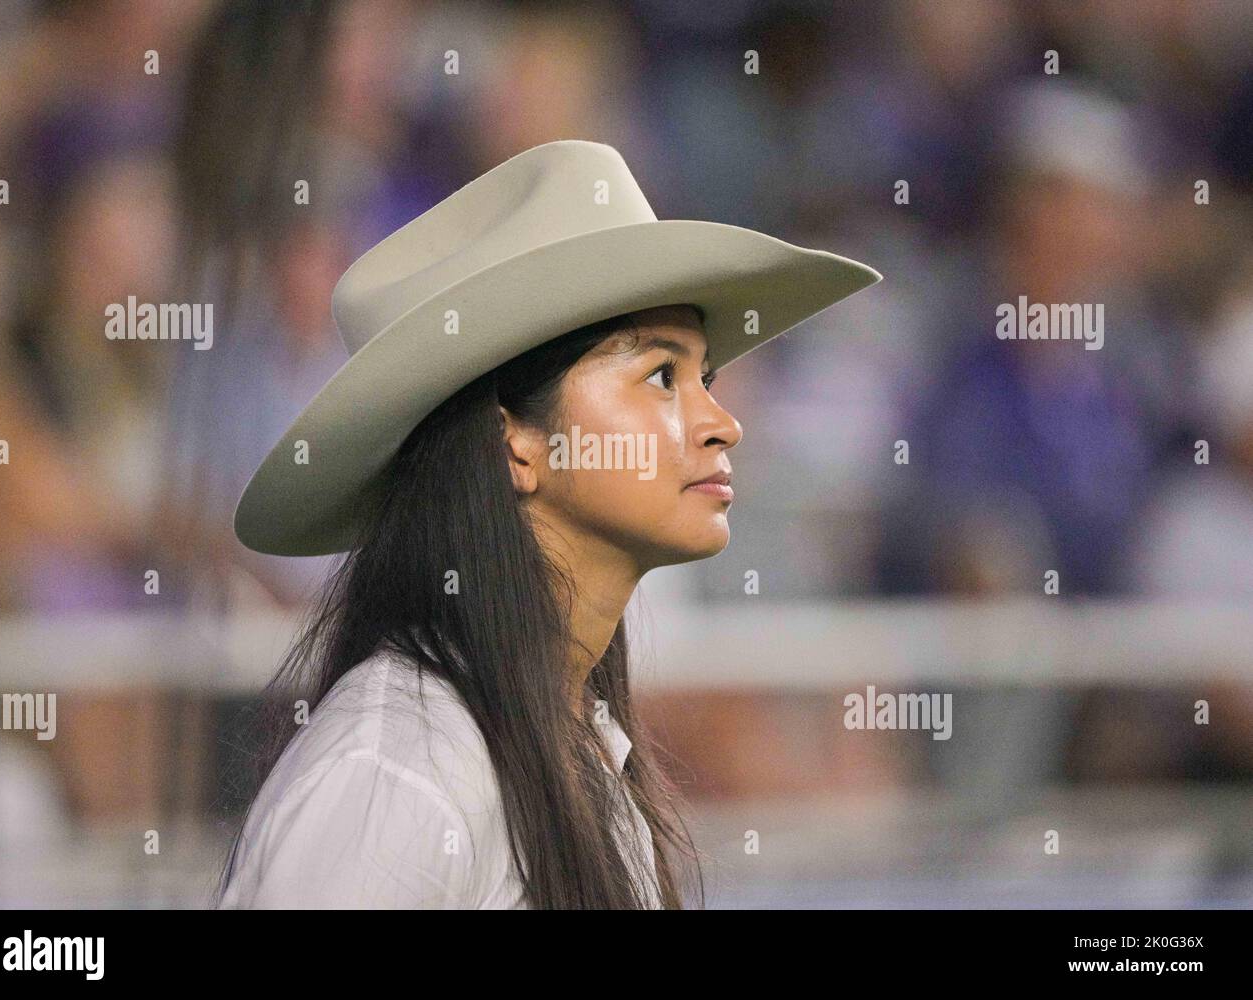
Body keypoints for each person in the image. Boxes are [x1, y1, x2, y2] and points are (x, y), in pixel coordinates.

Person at [213, 139, 880, 908]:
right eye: (661, 375)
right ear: (513, 444)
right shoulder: (399, 774)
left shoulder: (572, 752)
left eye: (708, 377)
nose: (721, 423)